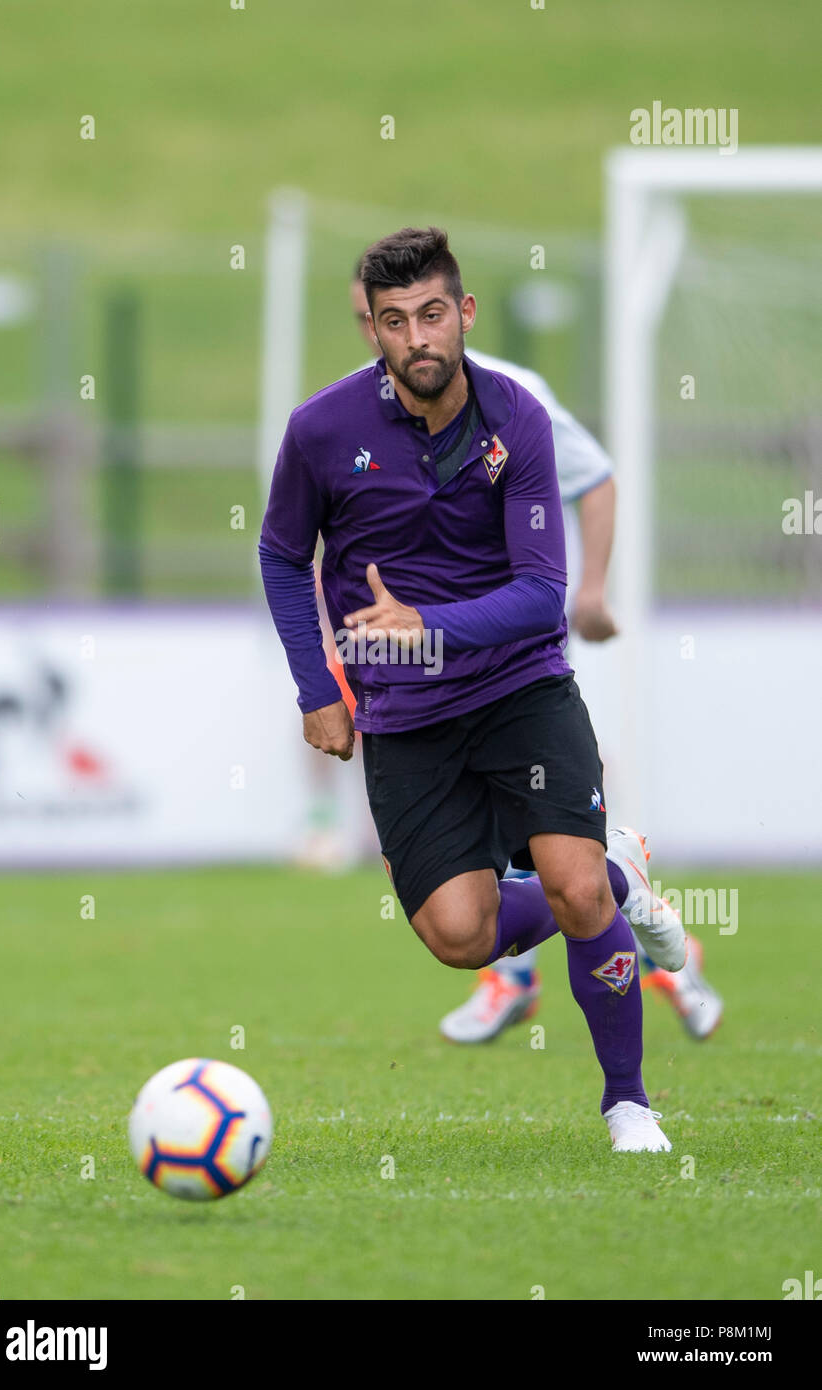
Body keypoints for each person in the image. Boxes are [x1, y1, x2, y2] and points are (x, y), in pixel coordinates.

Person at [260, 225, 687, 1152]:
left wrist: (430, 628)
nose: (419, 337)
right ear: (371, 330)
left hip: (519, 690)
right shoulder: (322, 431)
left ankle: (629, 1104)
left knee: (571, 891)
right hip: (404, 716)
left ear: (465, 314)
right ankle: (623, 880)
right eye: (395, 321)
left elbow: (541, 599)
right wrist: (315, 688)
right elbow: (282, 555)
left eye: (432, 314)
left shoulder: (518, 420)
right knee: (459, 933)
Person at [349, 263, 724, 1045]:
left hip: (512, 660)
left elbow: (598, 478)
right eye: (377, 320)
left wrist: (590, 591)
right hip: (422, 685)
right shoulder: (357, 411)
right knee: (492, 871)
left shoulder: (513, 397)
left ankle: (658, 968)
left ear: (458, 313)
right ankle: (535, 967)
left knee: (556, 858)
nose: (400, 337)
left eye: (424, 315)